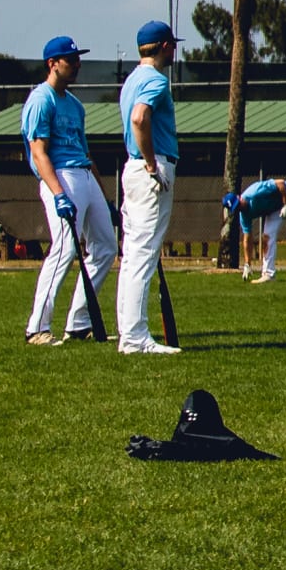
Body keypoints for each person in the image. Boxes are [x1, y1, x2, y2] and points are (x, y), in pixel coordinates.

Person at [20, 36, 119, 347]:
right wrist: (58, 193)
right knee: (64, 248)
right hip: (61, 176)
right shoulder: (41, 99)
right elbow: (39, 152)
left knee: (106, 247)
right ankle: (37, 327)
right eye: (70, 59)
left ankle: (78, 323)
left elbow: (86, 153)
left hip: (84, 175)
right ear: (53, 64)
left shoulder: (75, 105)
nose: (77, 64)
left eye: (78, 59)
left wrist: (105, 197)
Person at [116, 21, 181, 354]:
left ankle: (128, 331)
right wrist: (153, 164)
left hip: (132, 168)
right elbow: (140, 118)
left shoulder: (131, 80)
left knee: (132, 255)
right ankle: (135, 337)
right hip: (149, 170)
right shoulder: (156, 80)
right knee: (143, 254)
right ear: (166, 46)